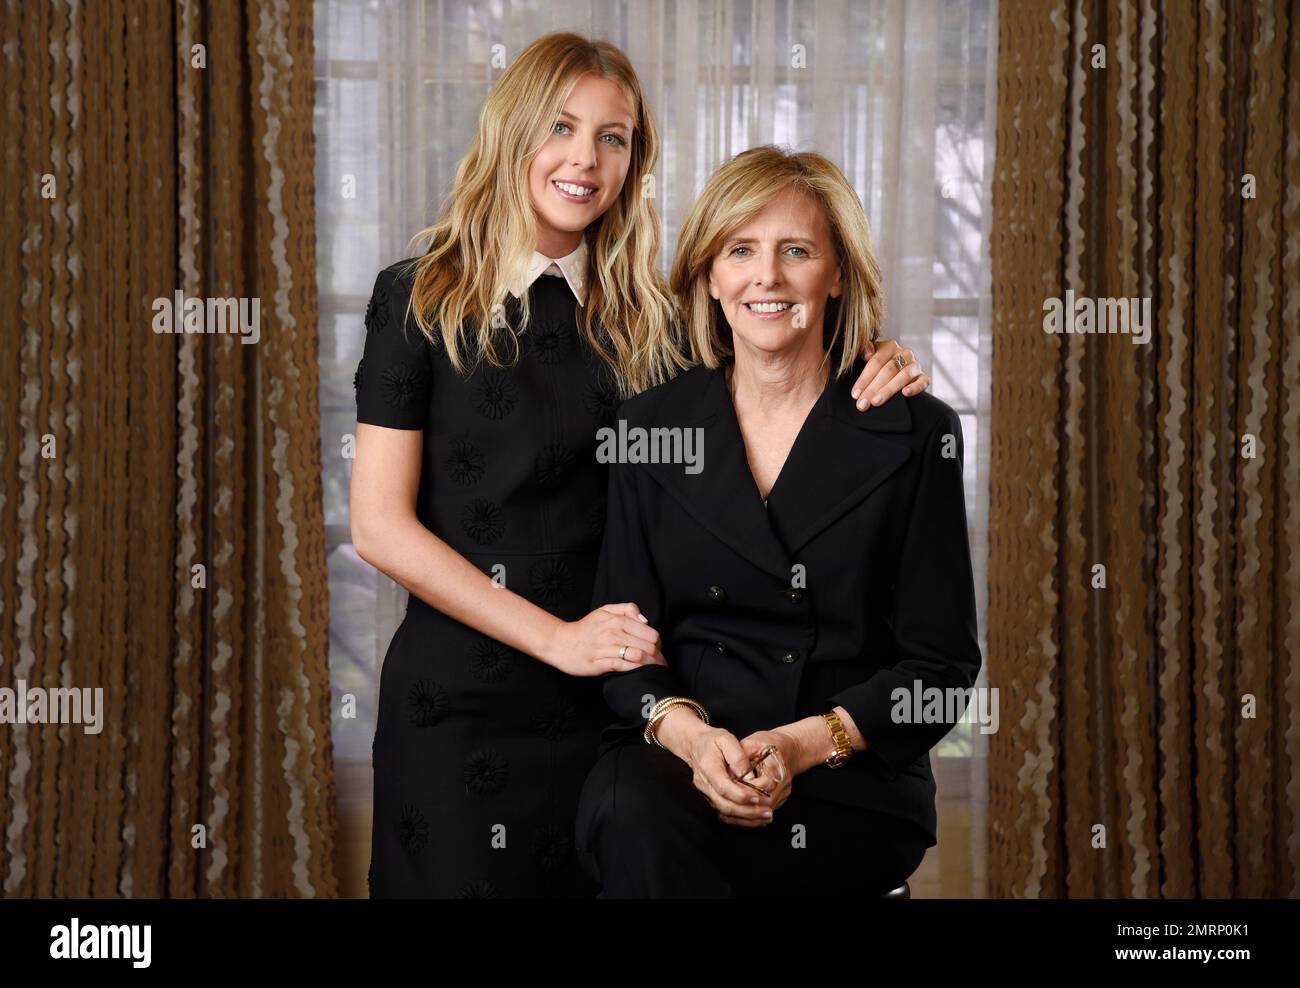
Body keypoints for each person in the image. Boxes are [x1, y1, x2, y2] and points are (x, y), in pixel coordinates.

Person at [352, 34, 932, 898]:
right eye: (561, 127)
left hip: (617, 719)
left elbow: (778, 348)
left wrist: (874, 358)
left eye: (614, 138)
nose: (585, 159)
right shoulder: (419, 297)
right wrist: (558, 639)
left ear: (635, 160)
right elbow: (379, 527)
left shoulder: (654, 322)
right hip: (458, 712)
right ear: (513, 132)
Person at [575, 146, 982, 898]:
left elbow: (941, 671)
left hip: (847, 773)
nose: (766, 276)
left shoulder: (917, 432)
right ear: (709, 276)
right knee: (629, 812)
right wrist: (697, 743)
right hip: (684, 758)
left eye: (796, 251)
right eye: (741, 251)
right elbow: (626, 644)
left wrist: (798, 748)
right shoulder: (649, 427)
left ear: (835, 276)